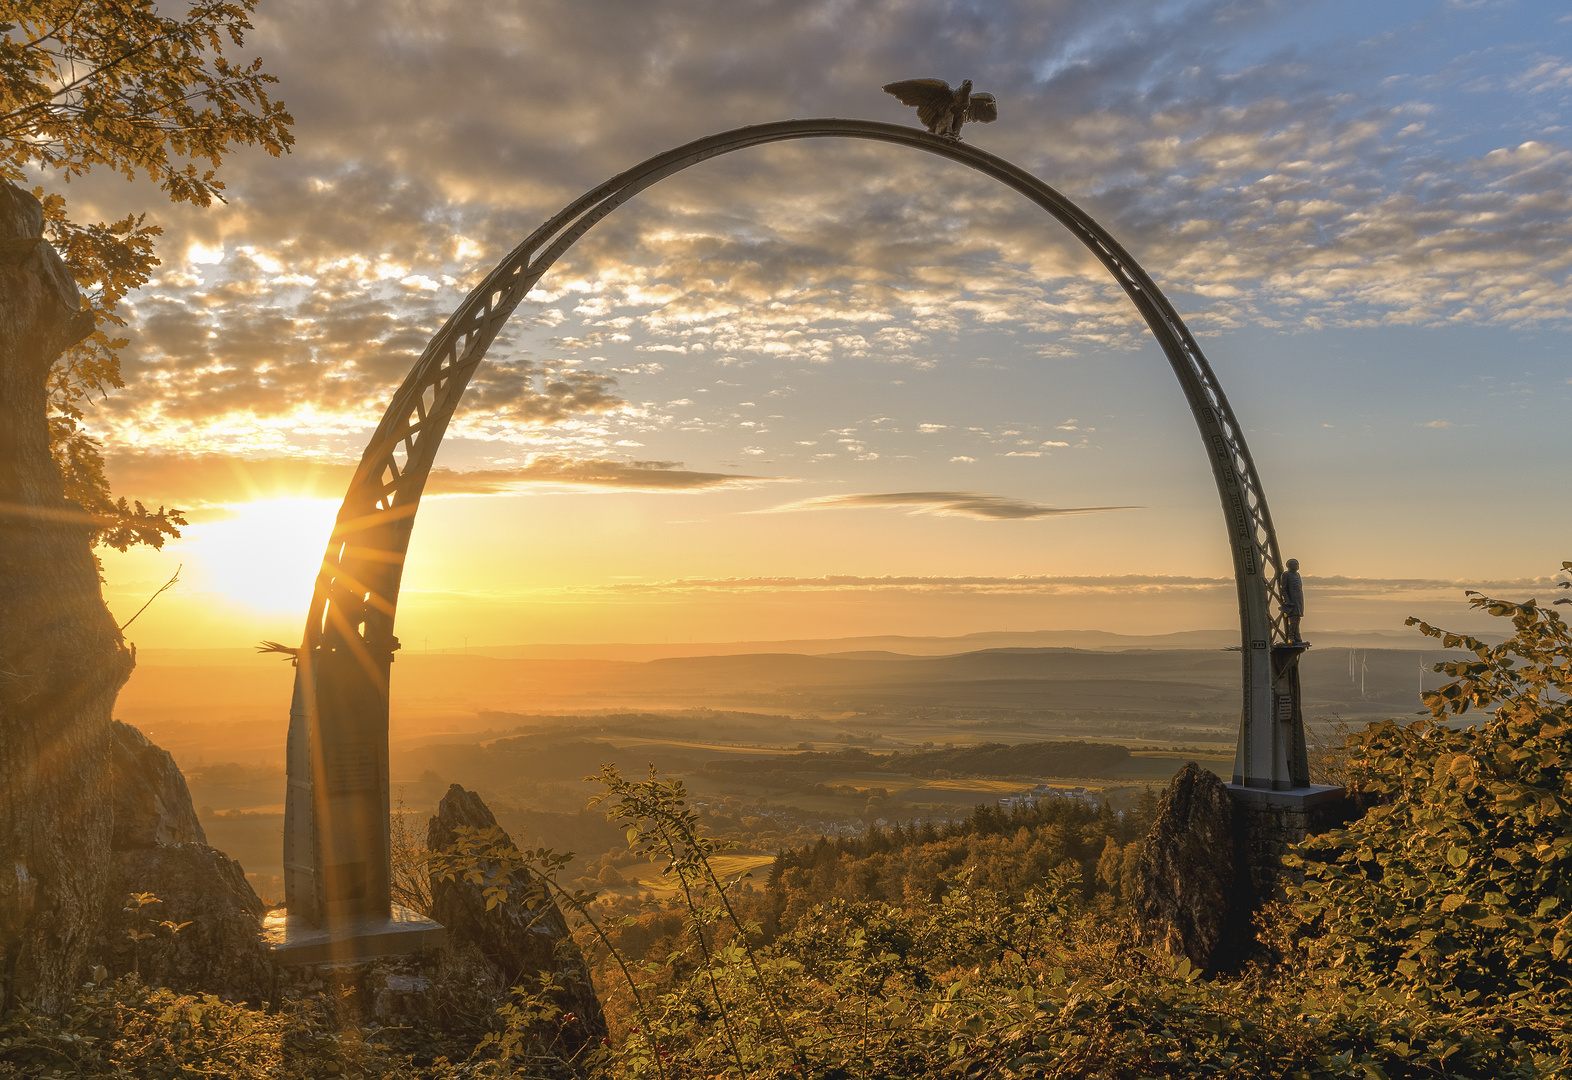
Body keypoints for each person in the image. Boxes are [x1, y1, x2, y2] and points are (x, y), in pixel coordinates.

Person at [1281, 558, 1305, 643]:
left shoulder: (1297, 575)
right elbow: (1283, 589)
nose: (1297, 566)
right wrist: (1287, 600)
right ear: (1289, 566)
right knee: (1293, 619)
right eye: (1295, 564)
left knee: (1297, 618)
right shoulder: (1286, 574)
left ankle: (1297, 636)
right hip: (1292, 600)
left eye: (1297, 564)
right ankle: (1290, 637)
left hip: (1299, 599)